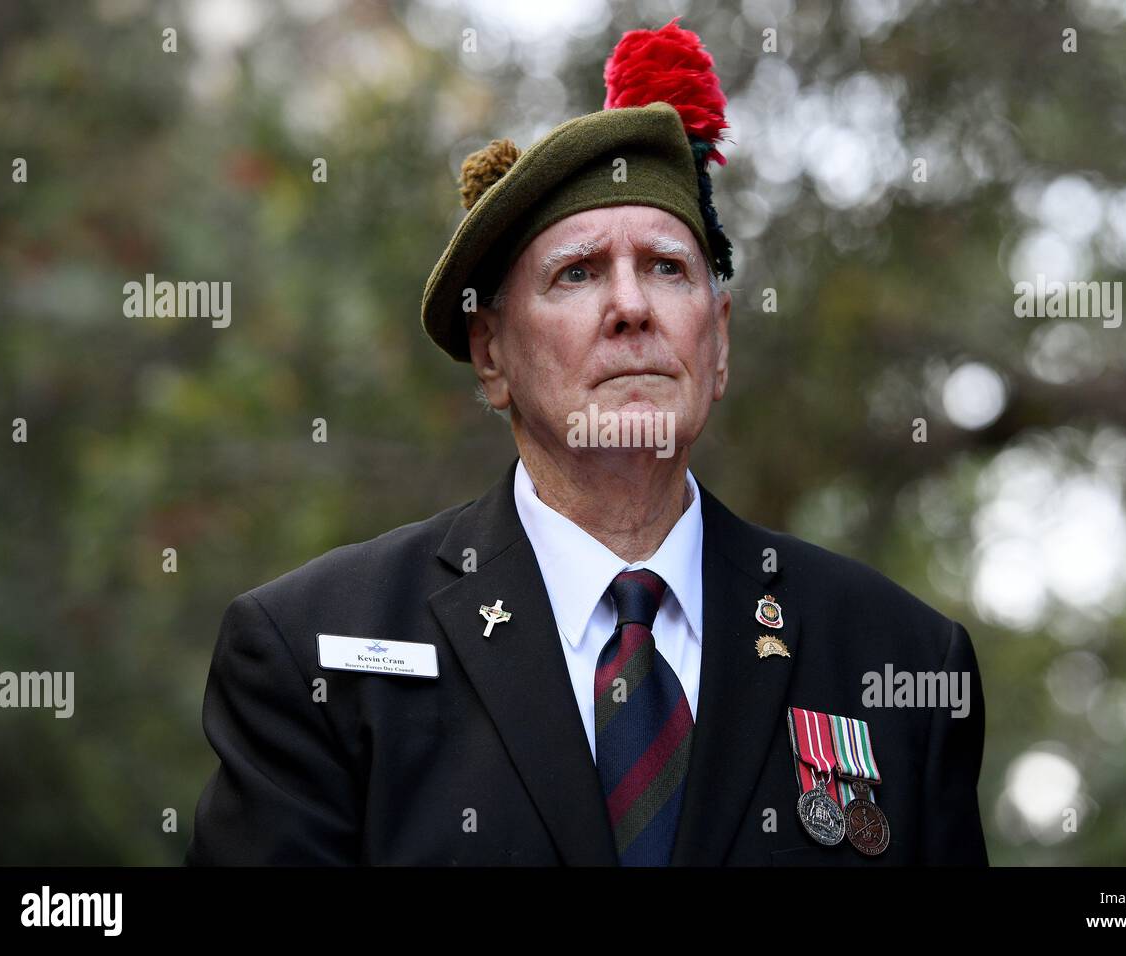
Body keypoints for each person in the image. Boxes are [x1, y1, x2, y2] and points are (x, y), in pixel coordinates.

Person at [185, 17, 987, 866]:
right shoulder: (313, 650)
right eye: (578, 273)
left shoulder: (900, 659)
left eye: (668, 267)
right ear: (491, 354)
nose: (632, 307)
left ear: (717, 344)